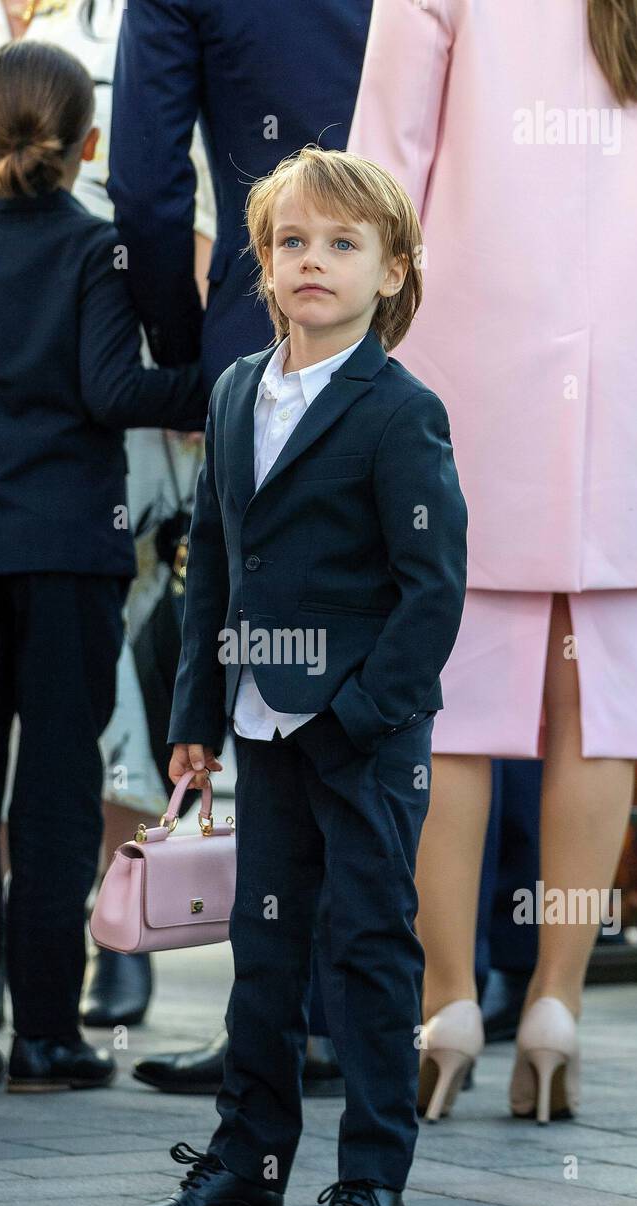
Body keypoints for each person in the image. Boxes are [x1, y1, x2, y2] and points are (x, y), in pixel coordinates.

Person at [126, 145, 468, 1206]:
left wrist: (365, 714)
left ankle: (372, 1182)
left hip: (360, 734)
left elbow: (432, 588)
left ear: (390, 270)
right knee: (263, 955)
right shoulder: (233, 393)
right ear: (262, 269)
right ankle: (244, 1170)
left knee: (366, 951)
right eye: (289, 243)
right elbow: (212, 565)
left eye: (340, 244)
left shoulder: (397, 409)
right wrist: (194, 712)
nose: (310, 261)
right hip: (258, 724)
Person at [347, 0, 637, 1123]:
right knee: (602, 712)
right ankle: (555, 1008)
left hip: (466, 368)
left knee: (456, 706)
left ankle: (447, 1007)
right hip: (633, 369)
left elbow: (380, 172)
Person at [0, 40, 207, 1092]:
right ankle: (45, 1036)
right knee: (59, 794)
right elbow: (115, 391)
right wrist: (221, 392)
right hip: (69, 555)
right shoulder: (97, 251)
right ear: (93, 145)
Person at [109, 0, 374, 1094]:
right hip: (402, 309)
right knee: (376, 644)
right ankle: (390, 1004)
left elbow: (145, 181)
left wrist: (181, 339)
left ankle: (276, 1022)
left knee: (256, 649)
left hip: (258, 318)